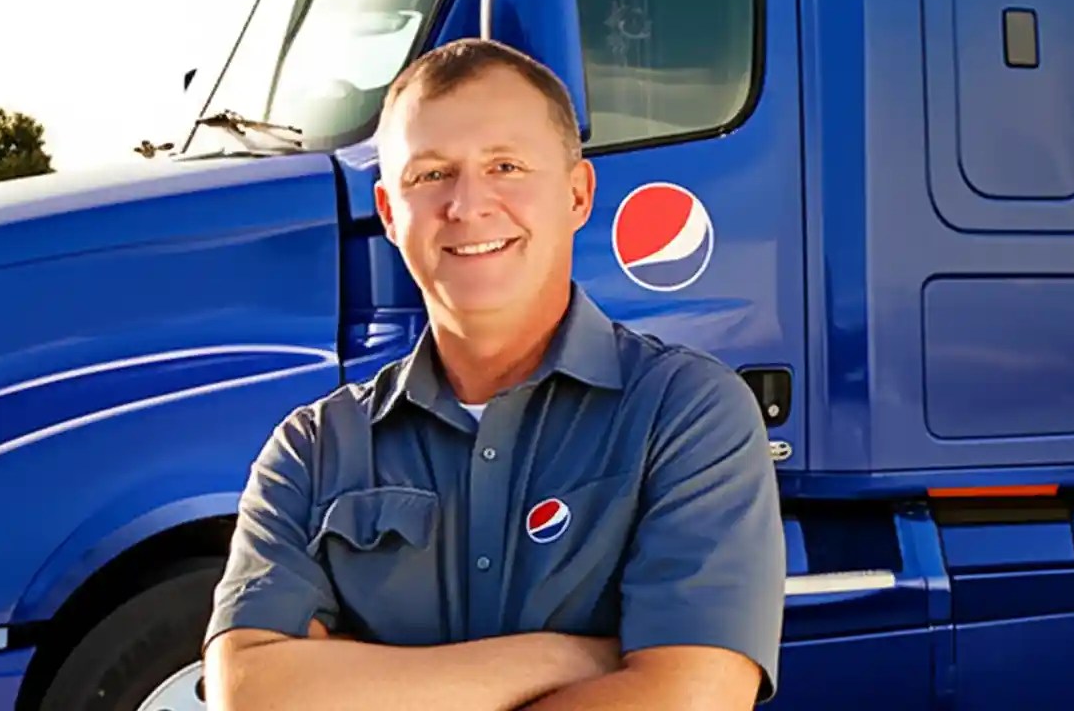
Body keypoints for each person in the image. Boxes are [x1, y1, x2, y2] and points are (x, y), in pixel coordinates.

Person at [202, 38, 786, 710]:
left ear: (577, 194)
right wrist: (568, 657)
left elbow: (692, 698)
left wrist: (354, 683)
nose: (467, 204)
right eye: (430, 175)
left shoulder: (686, 414)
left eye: (506, 166)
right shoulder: (314, 450)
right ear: (390, 213)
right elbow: (253, 694)